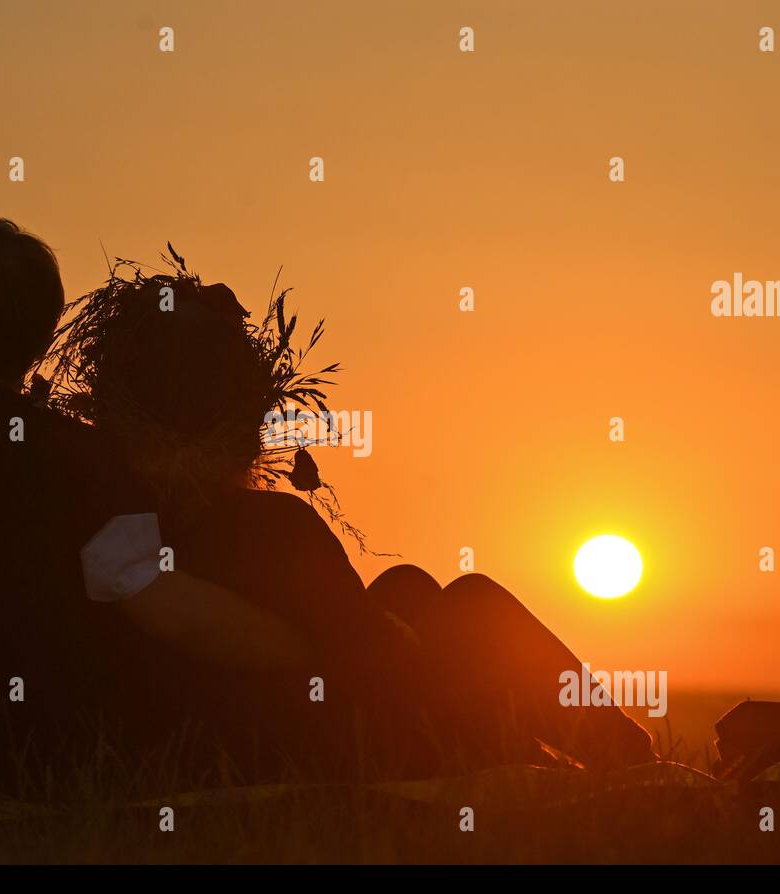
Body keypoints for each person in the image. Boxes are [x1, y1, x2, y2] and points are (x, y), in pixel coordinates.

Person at [39, 250, 655, 782]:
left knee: (408, 586)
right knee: (472, 605)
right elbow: (369, 668)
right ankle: (633, 764)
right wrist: (425, 646)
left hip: (217, 735)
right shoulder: (271, 529)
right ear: (245, 419)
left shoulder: (102, 519)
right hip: (326, 747)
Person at [0, 219, 300, 800]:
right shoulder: (81, 456)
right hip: (39, 779)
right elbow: (168, 612)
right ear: (47, 334)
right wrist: (310, 651)